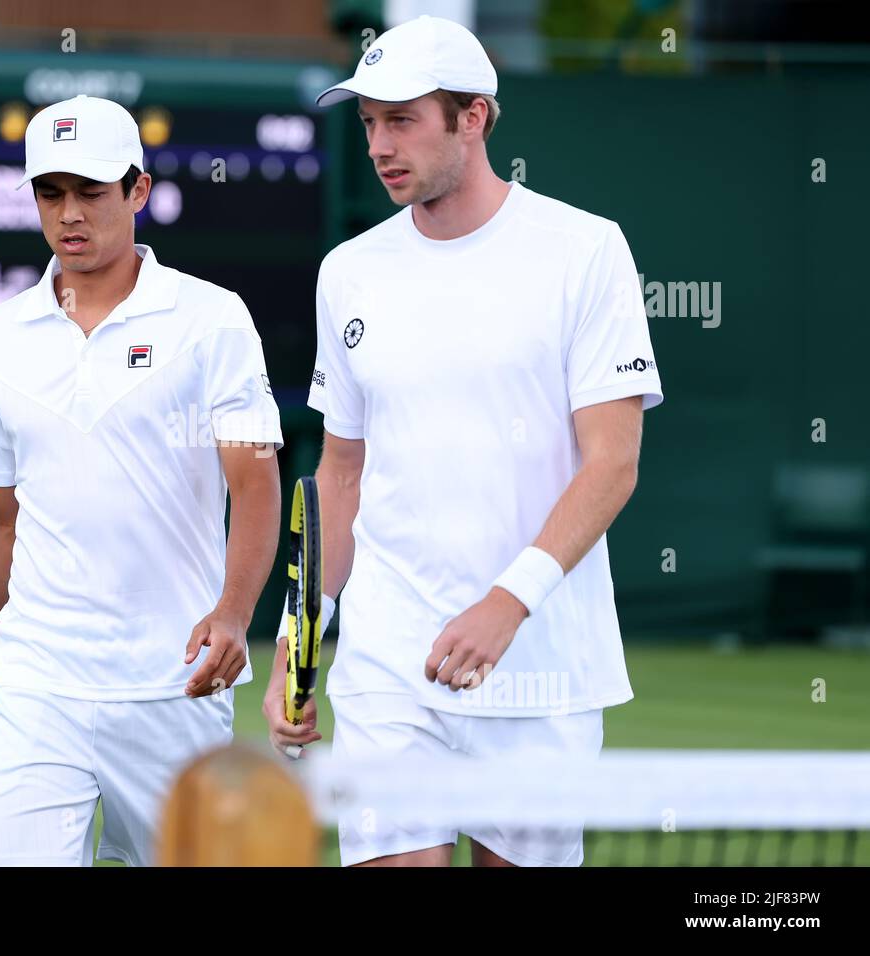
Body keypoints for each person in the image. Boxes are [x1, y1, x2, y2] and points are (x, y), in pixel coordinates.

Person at [263, 16, 664, 867]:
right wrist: (301, 638)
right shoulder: (349, 271)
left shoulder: (586, 251)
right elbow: (341, 475)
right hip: (385, 663)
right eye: (368, 121)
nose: (379, 144)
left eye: (402, 119)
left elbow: (614, 462)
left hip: (543, 668)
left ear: (474, 117)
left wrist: (505, 603)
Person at [0, 94, 283, 866]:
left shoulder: (214, 319)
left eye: (92, 192)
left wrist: (234, 614)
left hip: (178, 689)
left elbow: (257, 485)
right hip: (37, 689)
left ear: (137, 192)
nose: (70, 214)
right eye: (50, 192)